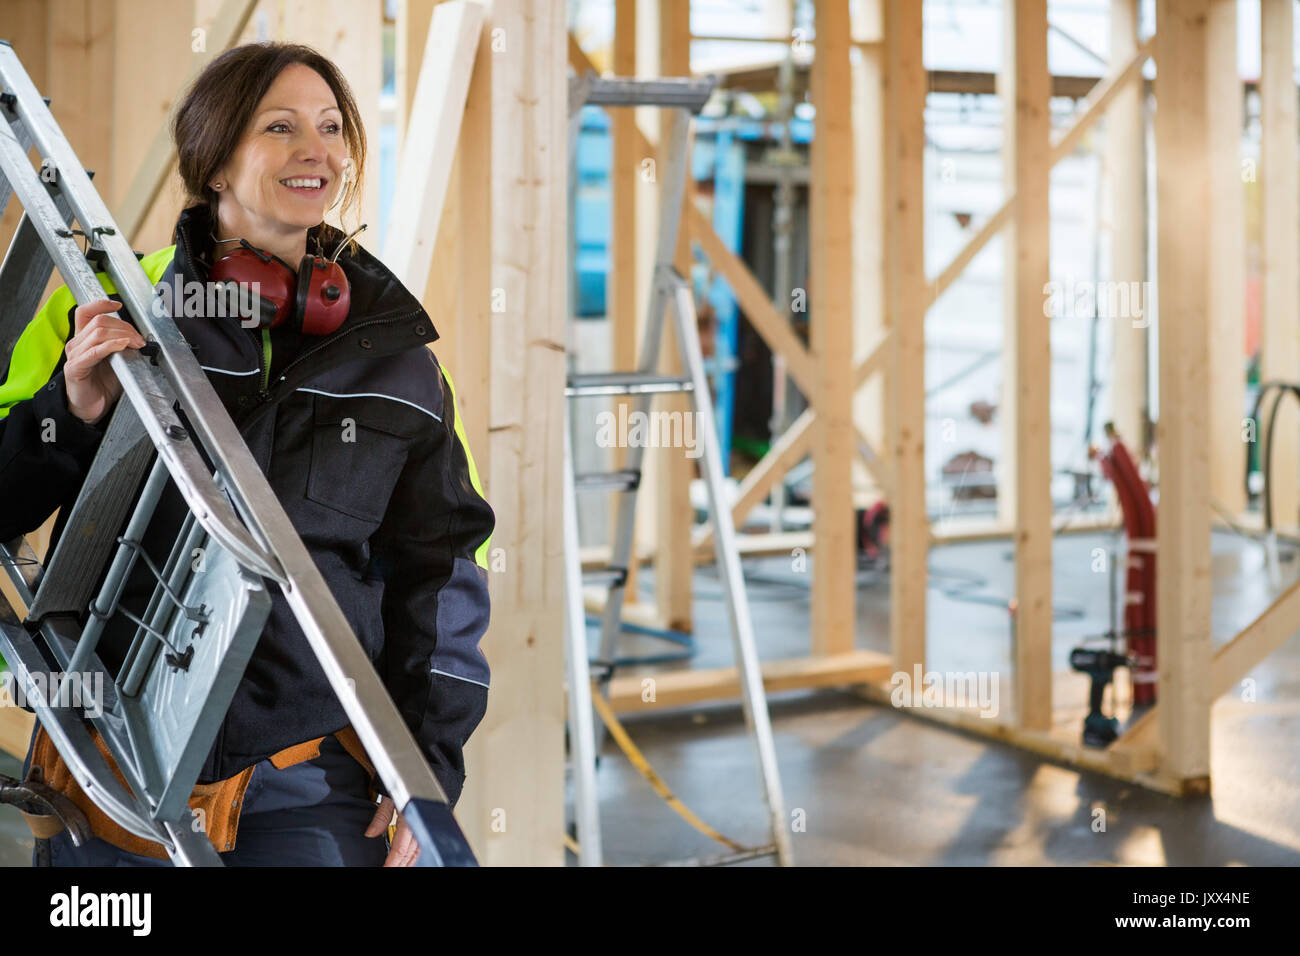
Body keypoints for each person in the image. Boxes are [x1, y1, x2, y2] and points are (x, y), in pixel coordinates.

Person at [0, 42, 494, 866]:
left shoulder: (402, 365)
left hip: (314, 778)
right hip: (116, 769)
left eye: (333, 129)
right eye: (282, 126)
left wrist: (429, 764)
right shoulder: (108, 314)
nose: (319, 151)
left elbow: (441, 570)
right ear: (217, 160)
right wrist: (72, 410)